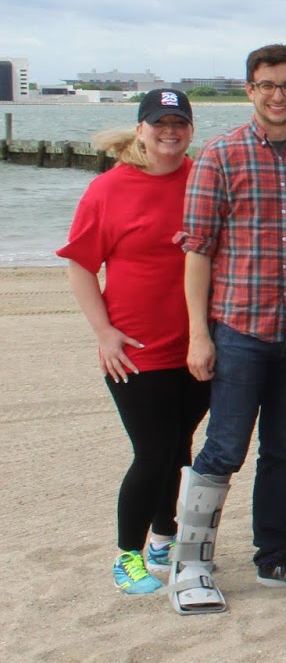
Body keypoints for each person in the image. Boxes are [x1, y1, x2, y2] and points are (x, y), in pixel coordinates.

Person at [172, 44, 286, 613]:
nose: (277, 94)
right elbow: (197, 252)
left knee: (281, 450)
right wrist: (200, 334)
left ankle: (273, 554)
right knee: (223, 447)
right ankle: (191, 562)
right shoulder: (219, 157)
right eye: (267, 84)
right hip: (240, 330)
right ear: (250, 90)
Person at [60, 89, 210, 596]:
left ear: (191, 129)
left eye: (179, 122)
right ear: (141, 128)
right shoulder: (108, 189)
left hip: (196, 346)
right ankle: (127, 553)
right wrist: (104, 333)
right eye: (159, 122)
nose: (170, 131)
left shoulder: (202, 180)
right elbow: (81, 264)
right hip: (135, 351)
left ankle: (164, 537)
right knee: (152, 451)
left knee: (180, 448)